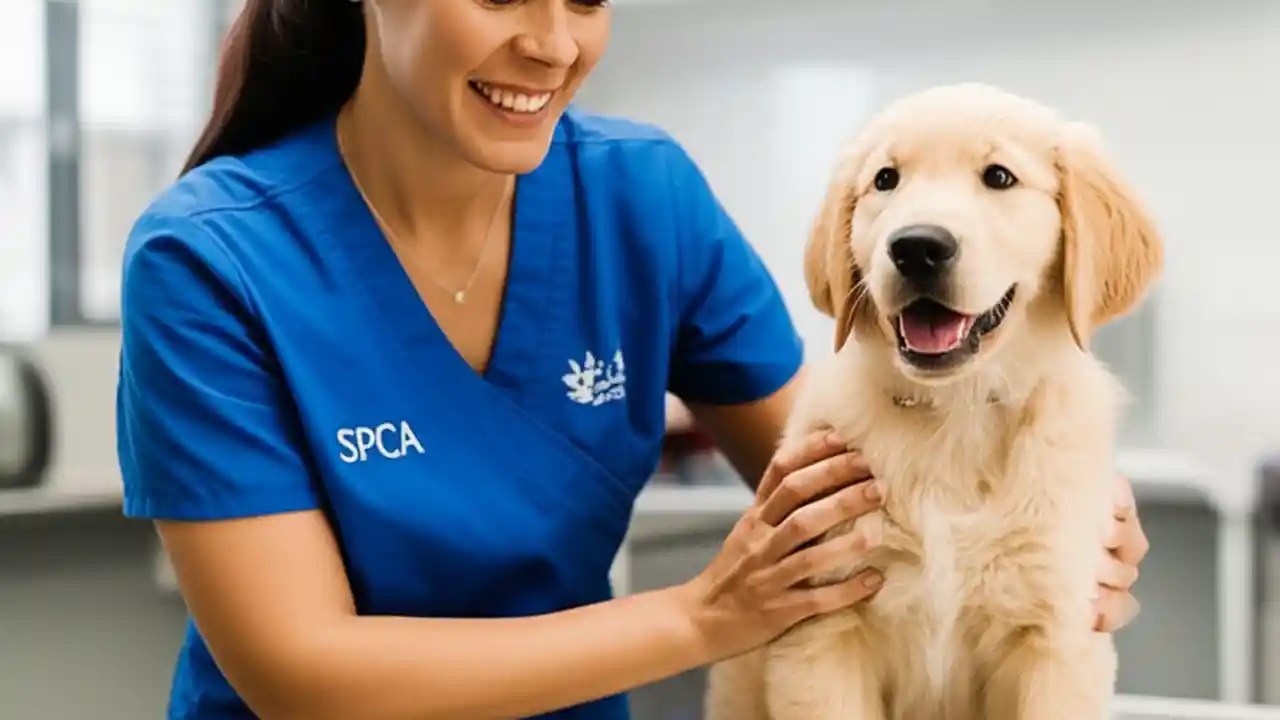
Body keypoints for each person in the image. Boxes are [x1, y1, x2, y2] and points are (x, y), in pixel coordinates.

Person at [114, 1, 1149, 718]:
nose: (553, 44)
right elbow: (304, 679)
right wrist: (706, 614)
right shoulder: (209, 260)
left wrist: (1050, 521)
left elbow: (844, 496)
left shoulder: (639, 197)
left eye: (589, 0)